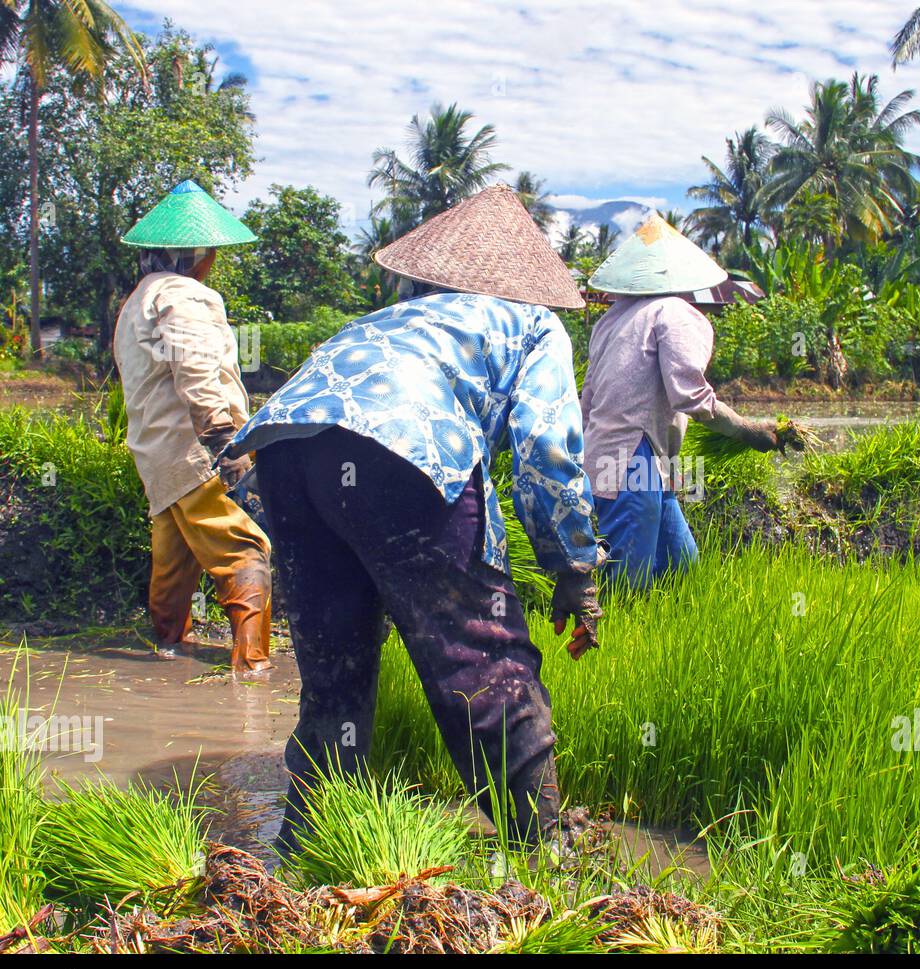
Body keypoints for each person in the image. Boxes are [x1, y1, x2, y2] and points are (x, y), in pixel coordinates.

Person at [227, 185, 603, 852]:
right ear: (524, 280)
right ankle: (544, 852)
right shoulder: (532, 323)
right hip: (403, 450)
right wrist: (574, 565)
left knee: (333, 667)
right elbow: (548, 449)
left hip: (285, 451)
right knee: (483, 658)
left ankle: (309, 846)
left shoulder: (380, 323)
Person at [581, 213, 800, 587]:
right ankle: (620, 636)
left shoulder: (613, 318)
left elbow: (588, 398)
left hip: (616, 456)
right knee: (629, 584)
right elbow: (691, 396)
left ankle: (664, 623)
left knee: (681, 568)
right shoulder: (677, 314)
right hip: (634, 460)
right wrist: (748, 431)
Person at [113, 180, 272, 677]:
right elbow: (196, 367)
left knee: (174, 561)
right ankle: (254, 669)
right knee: (246, 550)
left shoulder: (136, 301)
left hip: (158, 458)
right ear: (197, 255)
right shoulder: (185, 295)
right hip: (193, 452)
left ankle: (169, 649)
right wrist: (223, 439)